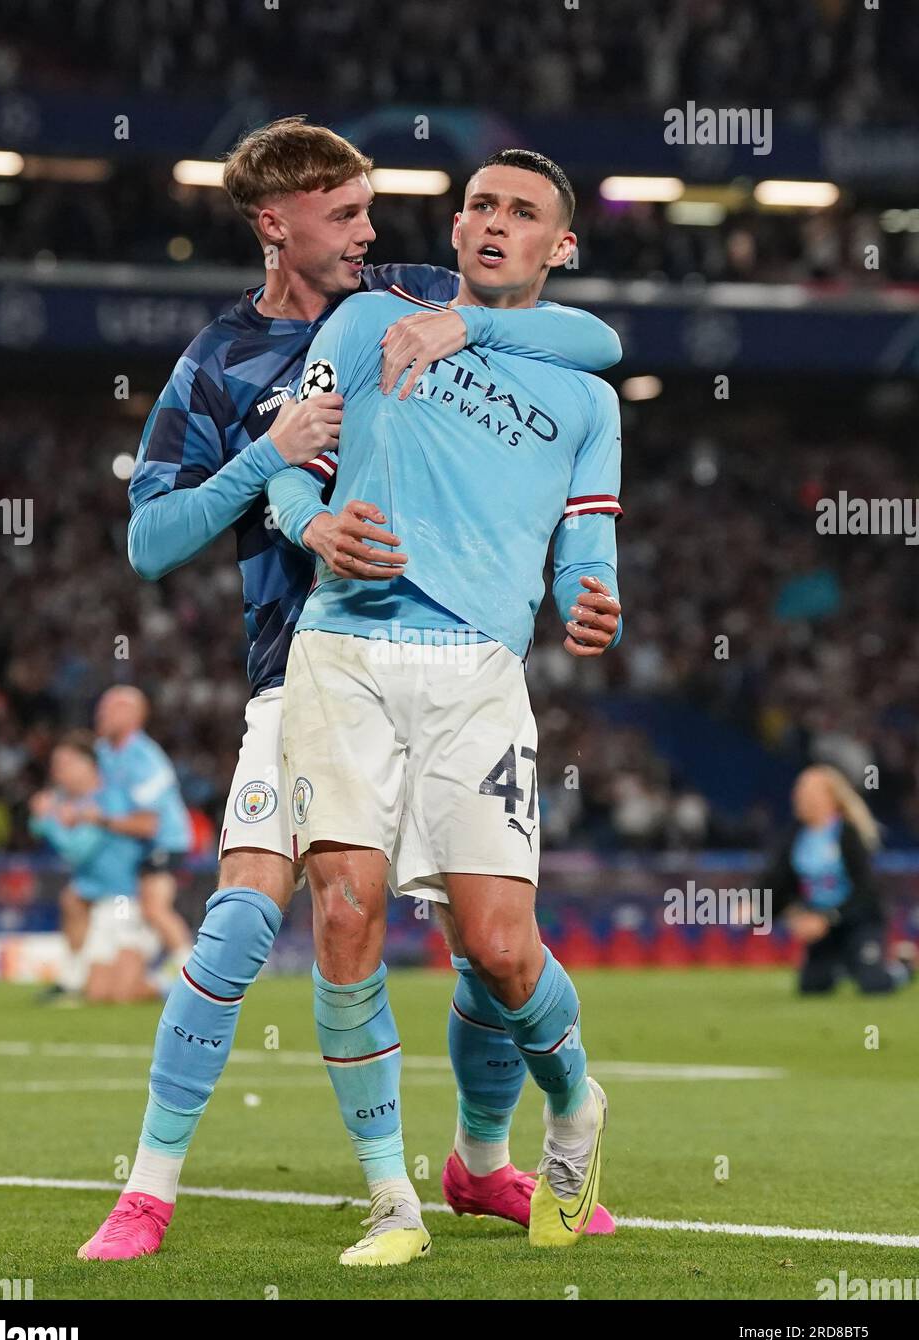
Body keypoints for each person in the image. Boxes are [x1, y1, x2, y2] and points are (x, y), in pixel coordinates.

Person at [77, 117, 620, 1261]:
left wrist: (464, 321)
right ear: (274, 224)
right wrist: (280, 475)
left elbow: (591, 337)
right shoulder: (226, 360)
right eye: (346, 214)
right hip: (305, 661)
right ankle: (160, 1188)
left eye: (374, 209)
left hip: (457, 660)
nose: (374, 232)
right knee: (262, 919)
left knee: (491, 944)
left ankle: (488, 1158)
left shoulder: (408, 295)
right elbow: (153, 541)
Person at [270, 147, 623, 1264]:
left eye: (522, 212)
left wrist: (589, 597)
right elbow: (286, 467)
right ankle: (392, 1200)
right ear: (456, 226)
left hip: (477, 674)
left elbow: (586, 543)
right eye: (479, 205)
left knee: (499, 947)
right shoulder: (367, 321)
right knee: (343, 914)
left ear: (560, 245)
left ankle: (572, 1103)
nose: (494, 223)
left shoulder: (586, 395)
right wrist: (311, 524)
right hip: (344, 649)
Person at [30, 733, 159, 1004]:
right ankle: (74, 979)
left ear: (88, 765)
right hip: (99, 901)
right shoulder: (73, 801)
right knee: (99, 994)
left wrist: (48, 819)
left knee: (122, 995)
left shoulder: (108, 799)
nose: (57, 772)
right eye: (55, 765)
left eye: (64, 764)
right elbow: (35, 828)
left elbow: (78, 850)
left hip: (124, 902)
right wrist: (46, 816)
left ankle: (165, 981)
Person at [763, 764, 912, 995]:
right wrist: (759, 906)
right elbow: (777, 882)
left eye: (807, 792)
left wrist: (828, 917)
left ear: (829, 798)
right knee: (812, 987)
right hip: (824, 927)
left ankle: (903, 967)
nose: (799, 797)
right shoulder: (795, 836)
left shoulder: (848, 834)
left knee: (874, 984)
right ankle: (846, 964)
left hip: (859, 921)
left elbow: (866, 891)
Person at [91, 686, 193, 970]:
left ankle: (191, 970)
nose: (101, 714)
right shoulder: (103, 752)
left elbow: (148, 824)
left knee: (154, 908)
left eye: (110, 708)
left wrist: (97, 819)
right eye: (102, 707)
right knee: (138, 910)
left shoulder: (144, 758)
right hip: (130, 846)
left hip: (164, 842)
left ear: (134, 716)